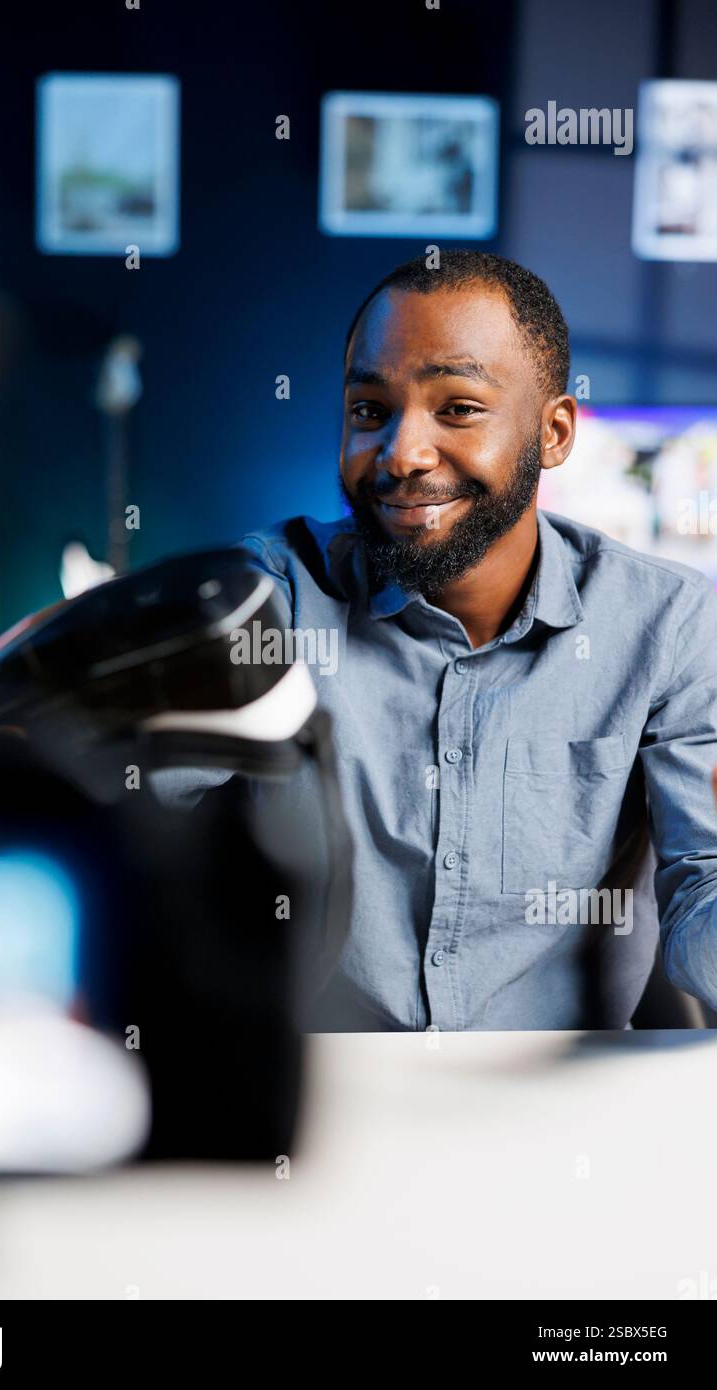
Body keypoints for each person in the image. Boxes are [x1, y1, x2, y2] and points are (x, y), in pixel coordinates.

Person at [151, 251, 717, 1031]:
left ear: (553, 433)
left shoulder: (671, 624)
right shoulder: (276, 598)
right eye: (370, 410)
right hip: (322, 1112)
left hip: (563, 1116)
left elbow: (702, 910)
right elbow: (116, 807)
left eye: (458, 409)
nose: (402, 454)